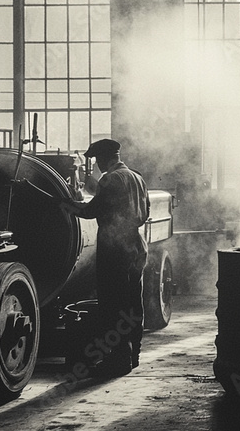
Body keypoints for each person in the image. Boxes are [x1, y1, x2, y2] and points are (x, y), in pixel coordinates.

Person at [60, 138, 150, 377]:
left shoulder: (110, 179)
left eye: (97, 160)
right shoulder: (137, 177)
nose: (97, 165)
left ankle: (118, 360)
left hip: (115, 248)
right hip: (136, 245)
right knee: (133, 302)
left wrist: (68, 205)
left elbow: (92, 211)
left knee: (113, 305)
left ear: (102, 159)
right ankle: (134, 354)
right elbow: (146, 211)